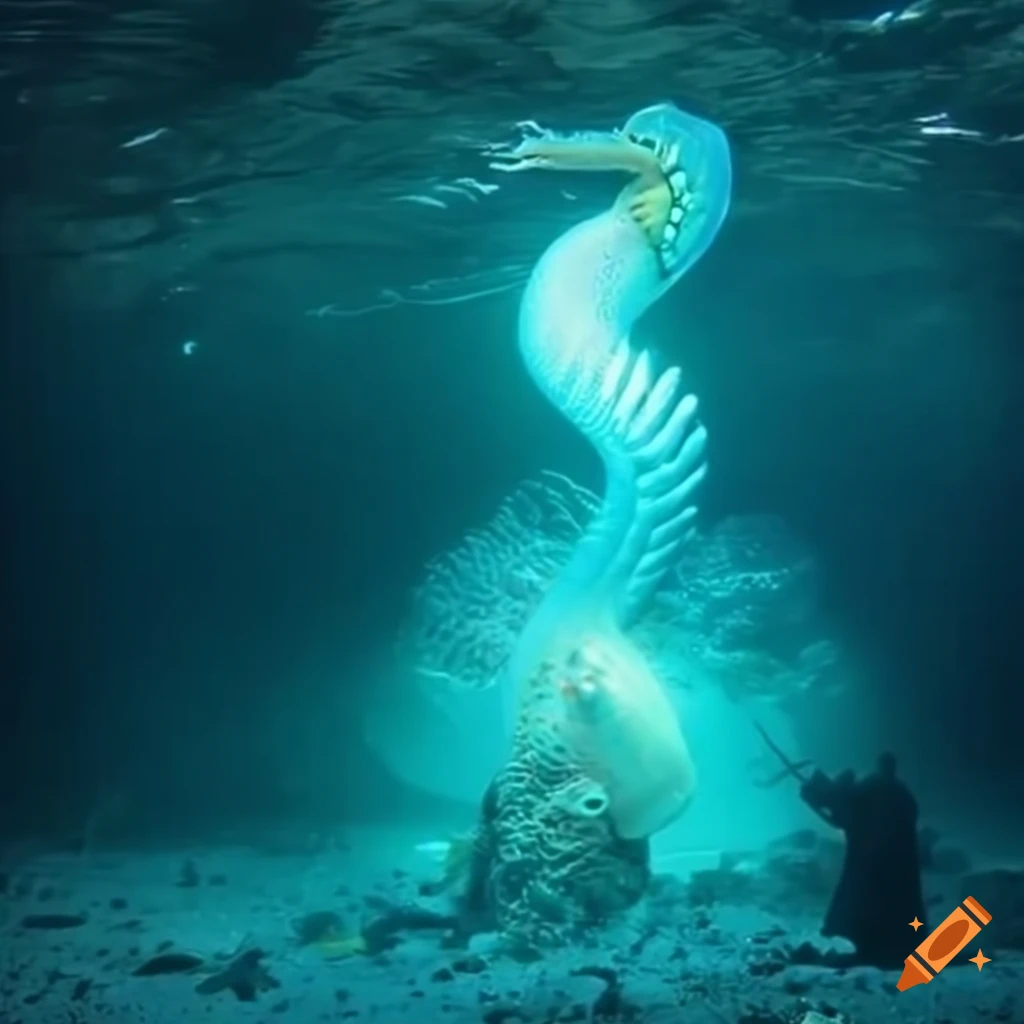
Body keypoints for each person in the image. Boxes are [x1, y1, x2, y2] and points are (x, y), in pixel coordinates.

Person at [801, 752, 926, 969]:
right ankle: (888, 943)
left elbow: (845, 814)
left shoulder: (877, 787)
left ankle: (878, 943)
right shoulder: (896, 791)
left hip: (877, 859)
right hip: (894, 860)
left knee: (871, 897)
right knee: (891, 898)